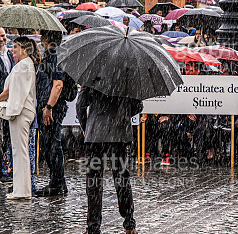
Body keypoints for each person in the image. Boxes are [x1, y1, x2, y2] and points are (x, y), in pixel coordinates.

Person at [77, 86, 143, 234]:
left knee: (94, 182)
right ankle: (129, 223)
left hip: (95, 133)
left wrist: (85, 126)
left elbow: (80, 104)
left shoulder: (94, 72)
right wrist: (121, 114)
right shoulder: (128, 75)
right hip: (119, 133)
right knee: (121, 179)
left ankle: (93, 227)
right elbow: (138, 105)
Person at [0, 37, 39, 200]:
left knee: (20, 151)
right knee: (19, 151)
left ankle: (22, 191)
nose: (13, 49)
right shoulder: (25, 64)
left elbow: (13, 91)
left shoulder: (24, 65)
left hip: (21, 111)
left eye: (15, 47)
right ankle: (22, 189)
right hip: (23, 111)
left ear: (24, 48)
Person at [35, 31, 69, 197]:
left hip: (51, 108)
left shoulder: (54, 54)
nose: (40, 39)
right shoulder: (51, 55)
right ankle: (59, 182)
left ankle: (56, 184)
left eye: (42, 36)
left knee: (52, 146)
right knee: (51, 145)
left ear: (46, 38)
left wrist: (49, 106)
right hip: (48, 106)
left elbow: (58, 84)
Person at [0, 28, 15, 183]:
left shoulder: (10, 54)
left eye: (3, 36)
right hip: (0, 99)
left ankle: (6, 168)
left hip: (9, 101)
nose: (2, 39)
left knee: (7, 136)